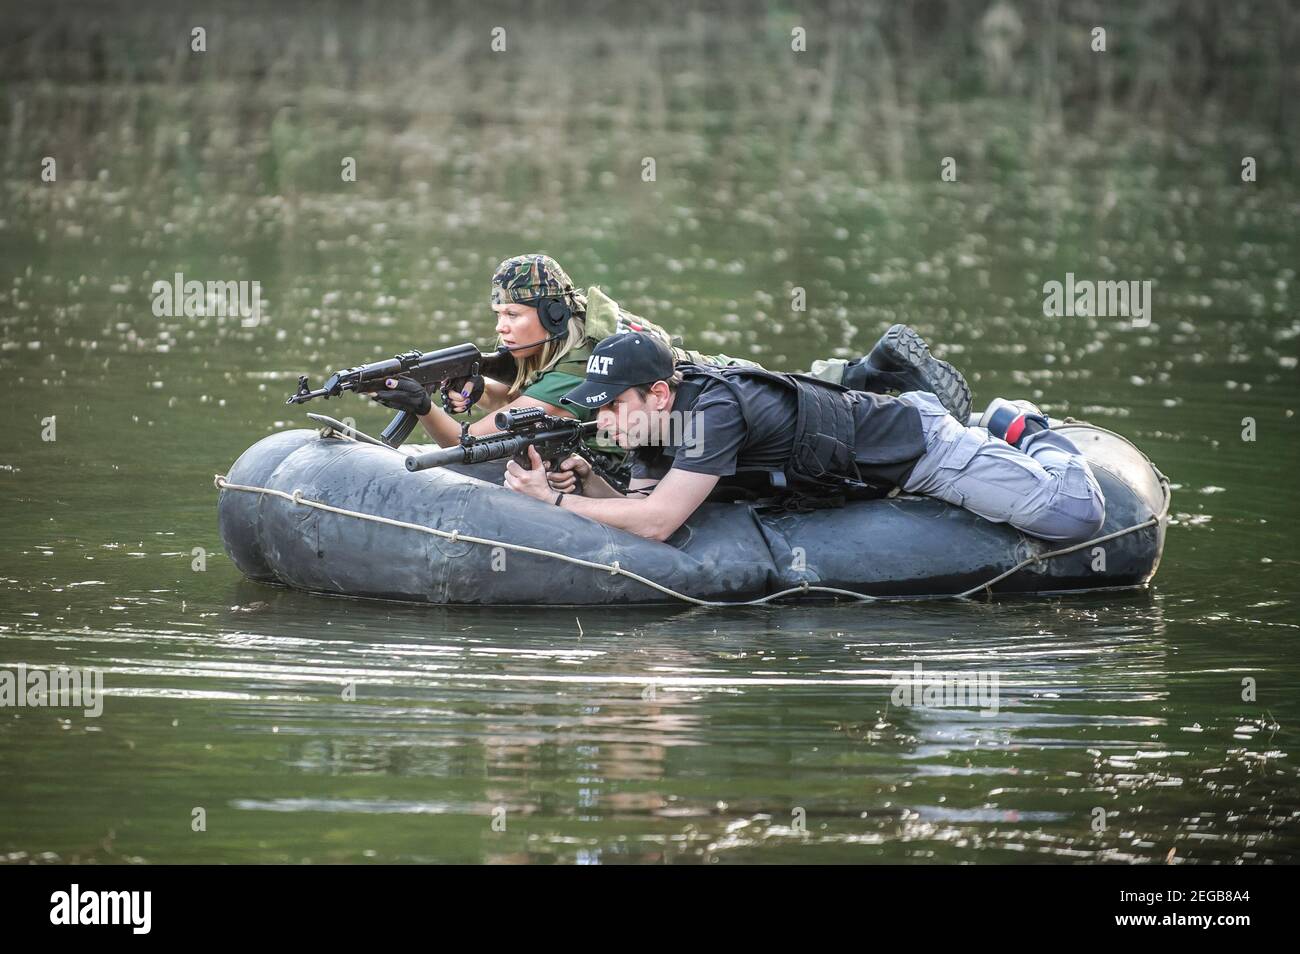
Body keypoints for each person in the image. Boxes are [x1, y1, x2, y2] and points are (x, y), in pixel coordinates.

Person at [502, 332, 1107, 545]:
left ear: (659, 393)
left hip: (922, 448)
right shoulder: (652, 427)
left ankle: (1020, 426)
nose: (603, 420)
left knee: (1076, 514)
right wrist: (585, 476)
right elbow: (636, 510)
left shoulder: (711, 410)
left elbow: (659, 522)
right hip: (854, 467)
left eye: (612, 406)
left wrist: (553, 501)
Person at [367, 253, 973, 451]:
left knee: (821, 414)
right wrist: (482, 388)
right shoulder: (578, 327)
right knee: (805, 386)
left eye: (512, 315)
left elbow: (479, 445)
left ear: (550, 314)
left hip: (714, 401)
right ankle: (876, 367)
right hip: (713, 378)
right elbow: (522, 395)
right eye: (496, 315)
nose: (500, 329)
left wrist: (425, 409)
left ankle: (903, 396)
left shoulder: (580, 363)